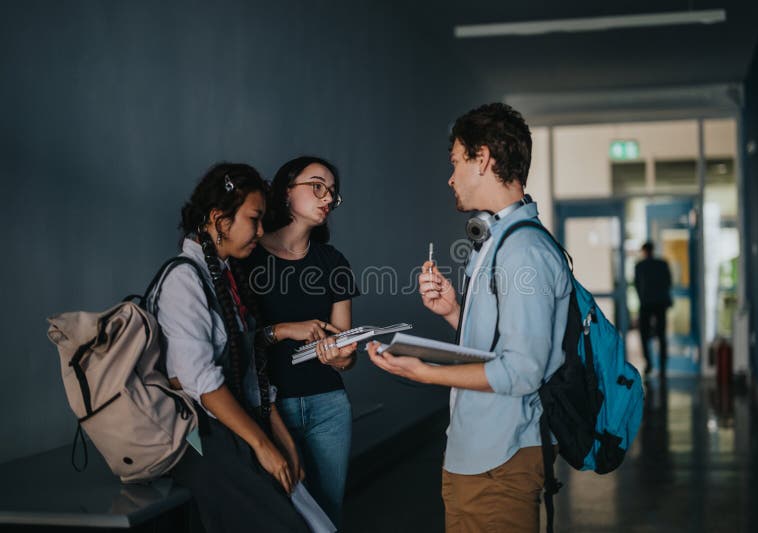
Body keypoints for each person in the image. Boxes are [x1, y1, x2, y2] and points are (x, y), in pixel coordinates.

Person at [367, 103, 572, 533]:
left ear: (483, 159)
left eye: (456, 162)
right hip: (476, 454)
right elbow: (499, 347)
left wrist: (426, 373)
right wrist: (454, 311)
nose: (451, 176)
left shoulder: (524, 252)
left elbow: (522, 371)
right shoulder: (498, 241)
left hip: (501, 459)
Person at [151, 163, 310, 533]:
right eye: (253, 219)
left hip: (229, 430)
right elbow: (202, 383)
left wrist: (283, 440)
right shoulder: (183, 281)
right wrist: (263, 446)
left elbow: (249, 379)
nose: (259, 231)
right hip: (196, 440)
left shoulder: (224, 277)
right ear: (220, 221)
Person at [243, 156, 360, 527]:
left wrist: (340, 357)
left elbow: (346, 353)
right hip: (270, 413)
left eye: (332, 193)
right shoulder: (248, 258)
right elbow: (236, 344)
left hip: (329, 407)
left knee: (327, 517)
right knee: (280, 518)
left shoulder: (333, 262)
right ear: (286, 191)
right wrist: (284, 330)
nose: (327, 197)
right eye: (317, 186)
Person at [634, 241, 673, 376]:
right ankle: (662, 367)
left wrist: (642, 298)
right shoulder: (662, 264)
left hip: (646, 304)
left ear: (644, 251)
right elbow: (668, 282)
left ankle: (649, 364)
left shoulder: (640, 266)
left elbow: (637, 285)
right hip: (660, 303)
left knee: (644, 335)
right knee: (661, 335)